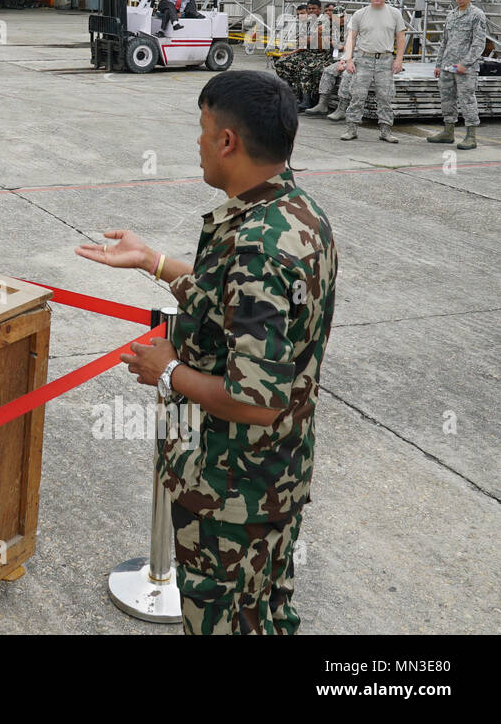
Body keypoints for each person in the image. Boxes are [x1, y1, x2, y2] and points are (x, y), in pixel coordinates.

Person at [75, 71, 337, 634]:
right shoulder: (297, 215)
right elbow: (232, 303)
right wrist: (153, 261)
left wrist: (166, 370)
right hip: (274, 478)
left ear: (227, 142)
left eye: (202, 129)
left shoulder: (256, 246)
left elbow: (257, 399)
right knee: (265, 614)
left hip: (231, 494)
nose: (197, 142)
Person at [337, 0, 407, 143]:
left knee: (385, 97)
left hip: (385, 60)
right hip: (364, 59)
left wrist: (399, 59)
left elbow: (401, 38)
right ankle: (351, 129)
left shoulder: (395, 14)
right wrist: (348, 60)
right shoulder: (359, 14)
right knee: (357, 95)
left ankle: (386, 131)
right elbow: (351, 38)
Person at [428, 0, 490, 151]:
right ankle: (448, 132)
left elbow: (479, 44)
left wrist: (465, 63)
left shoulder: (477, 15)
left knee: (467, 99)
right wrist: (439, 64)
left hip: (465, 68)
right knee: (447, 99)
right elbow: (444, 42)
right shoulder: (452, 14)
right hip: (448, 66)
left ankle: (471, 136)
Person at [274, 2, 330, 107]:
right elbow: (301, 42)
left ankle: (306, 99)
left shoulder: (323, 23)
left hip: (319, 55)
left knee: (302, 67)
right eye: (309, 8)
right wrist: (292, 52)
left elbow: (322, 45)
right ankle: (291, 94)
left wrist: (311, 39)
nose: (311, 11)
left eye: (314, 8)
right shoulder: (307, 24)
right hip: (306, 53)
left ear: (319, 9)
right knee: (281, 62)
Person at [304, 3, 352, 117]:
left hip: (354, 59)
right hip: (340, 58)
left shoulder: (352, 29)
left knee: (346, 75)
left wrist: (345, 60)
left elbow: (350, 47)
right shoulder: (335, 28)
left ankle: (342, 108)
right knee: (328, 71)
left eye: (341, 18)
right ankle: (322, 104)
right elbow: (334, 45)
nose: (339, 20)